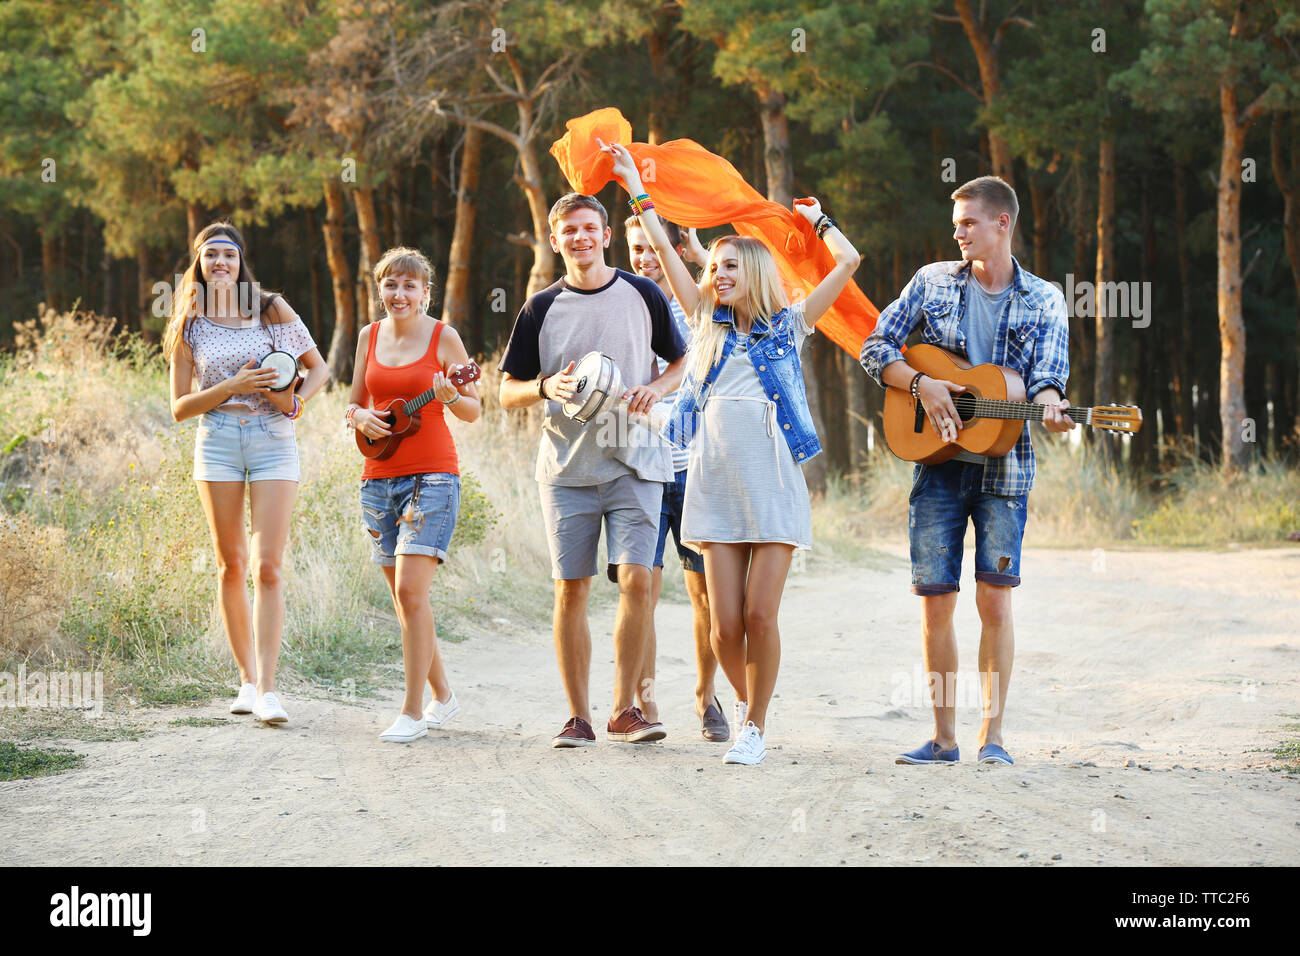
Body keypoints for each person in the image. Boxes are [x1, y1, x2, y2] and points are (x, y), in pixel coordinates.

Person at [604, 140, 861, 765]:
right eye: (713, 268)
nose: (716, 276)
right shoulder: (704, 325)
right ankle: (753, 713)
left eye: (727, 267)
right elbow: (665, 251)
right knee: (722, 628)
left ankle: (754, 723)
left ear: (754, 273)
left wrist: (816, 219)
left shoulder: (790, 326)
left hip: (772, 482)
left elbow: (850, 260)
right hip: (714, 480)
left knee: (760, 616)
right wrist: (637, 190)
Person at [859, 175, 1074, 767]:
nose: (958, 233)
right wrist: (922, 384)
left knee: (996, 603)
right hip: (937, 467)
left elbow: (1049, 375)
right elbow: (875, 345)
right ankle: (943, 738)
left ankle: (994, 737)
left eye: (969, 223)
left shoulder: (1045, 299)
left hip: (1004, 473)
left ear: (1002, 223)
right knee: (935, 603)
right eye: (955, 224)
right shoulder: (930, 282)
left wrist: (1052, 404)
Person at [499, 192, 687, 749]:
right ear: (554, 241)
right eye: (568, 232)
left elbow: (681, 364)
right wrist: (542, 387)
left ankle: (624, 709)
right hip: (567, 468)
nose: (579, 238)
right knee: (570, 589)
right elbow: (505, 391)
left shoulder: (643, 292)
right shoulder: (539, 308)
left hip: (636, 461)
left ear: (605, 236)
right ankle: (578, 717)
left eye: (589, 228)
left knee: (637, 579)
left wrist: (653, 389)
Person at [165, 221, 329, 725]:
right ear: (199, 262)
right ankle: (247, 681)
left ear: (240, 263)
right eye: (211, 255)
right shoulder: (188, 321)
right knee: (231, 565)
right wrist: (232, 384)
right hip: (215, 441)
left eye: (229, 256)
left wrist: (294, 402)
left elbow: (318, 367)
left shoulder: (269, 307)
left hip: (273, 440)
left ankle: (270, 691)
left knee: (267, 567)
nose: (220, 263)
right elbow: (179, 407)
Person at [346, 248, 481, 743]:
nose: (399, 294)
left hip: (433, 477)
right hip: (377, 476)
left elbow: (473, 409)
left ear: (426, 292)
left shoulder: (444, 338)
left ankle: (411, 712)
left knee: (410, 592)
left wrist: (451, 396)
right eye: (390, 285)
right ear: (379, 290)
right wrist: (357, 417)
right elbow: (357, 401)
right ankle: (444, 696)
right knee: (408, 603)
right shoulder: (368, 336)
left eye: (410, 286)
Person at [623, 215, 732, 742]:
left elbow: (749, 287)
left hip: (696, 468)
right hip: (638, 468)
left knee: (705, 597)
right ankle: (644, 702)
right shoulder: (621, 303)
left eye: (655, 247)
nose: (646, 257)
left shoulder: (704, 306)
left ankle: (706, 694)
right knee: (640, 590)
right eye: (637, 248)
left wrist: (696, 250)